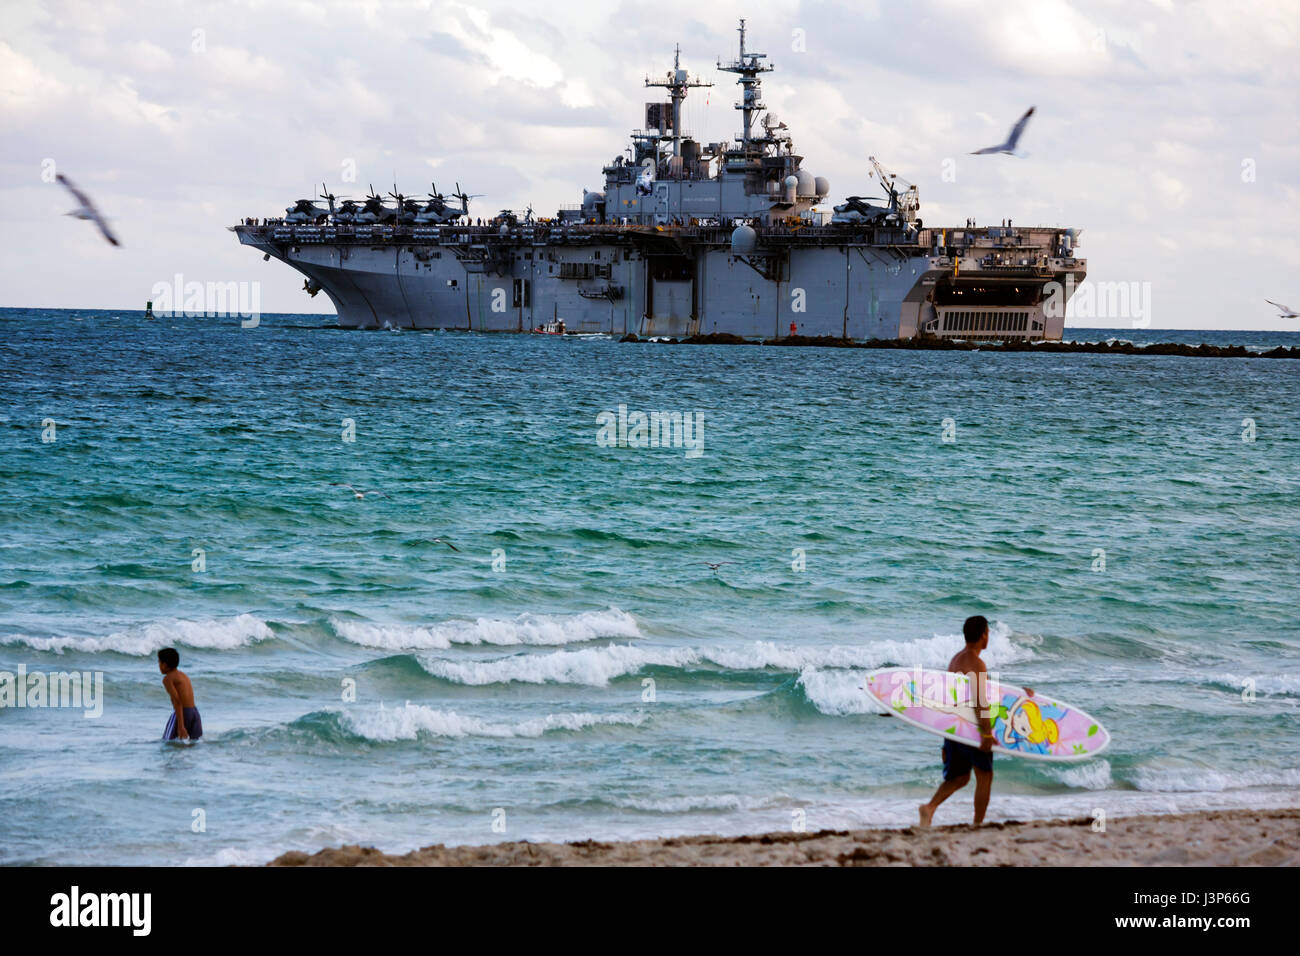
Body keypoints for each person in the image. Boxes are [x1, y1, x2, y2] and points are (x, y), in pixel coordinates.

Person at [917, 615, 1032, 826]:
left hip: (956, 729)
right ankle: (977, 824)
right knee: (984, 775)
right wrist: (987, 734)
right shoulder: (976, 663)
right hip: (973, 729)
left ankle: (930, 807)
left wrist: (1020, 695)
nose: (988, 636)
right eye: (988, 632)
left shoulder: (955, 660)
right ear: (983, 635)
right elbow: (981, 702)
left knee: (959, 778)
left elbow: (951, 699)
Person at [158, 647, 202, 741]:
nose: (159, 665)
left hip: (183, 713)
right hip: (194, 712)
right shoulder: (183, 675)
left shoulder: (168, 679)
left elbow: (177, 702)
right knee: (194, 743)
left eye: (159, 662)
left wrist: (181, 726)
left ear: (165, 664)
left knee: (167, 742)